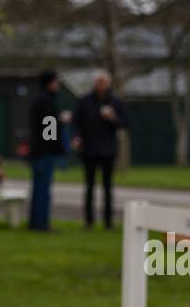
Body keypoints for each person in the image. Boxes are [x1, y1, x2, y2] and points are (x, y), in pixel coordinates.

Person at [71, 70, 128, 229]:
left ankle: (108, 222)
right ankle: (88, 221)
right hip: (89, 149)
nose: (101, 85)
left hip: (108, 150)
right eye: (98, 82)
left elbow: (125, 122)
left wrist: (113, 118)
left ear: (108, 84)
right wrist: (77, 137)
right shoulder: (84, 101)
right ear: (95, 84)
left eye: (103, 82)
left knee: (108, 188)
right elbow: (76, 122)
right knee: (89, 186)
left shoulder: (115, 102)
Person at [27, 70, 66, 231]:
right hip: (44, 153)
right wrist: (59, 122)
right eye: (56, 82)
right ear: (50, 83)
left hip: (38, 151)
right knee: (43, 190)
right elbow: (48, 129)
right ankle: (41, 224)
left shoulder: (38, 100)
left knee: (38, 188)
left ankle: (35, 222)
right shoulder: (46, 101)